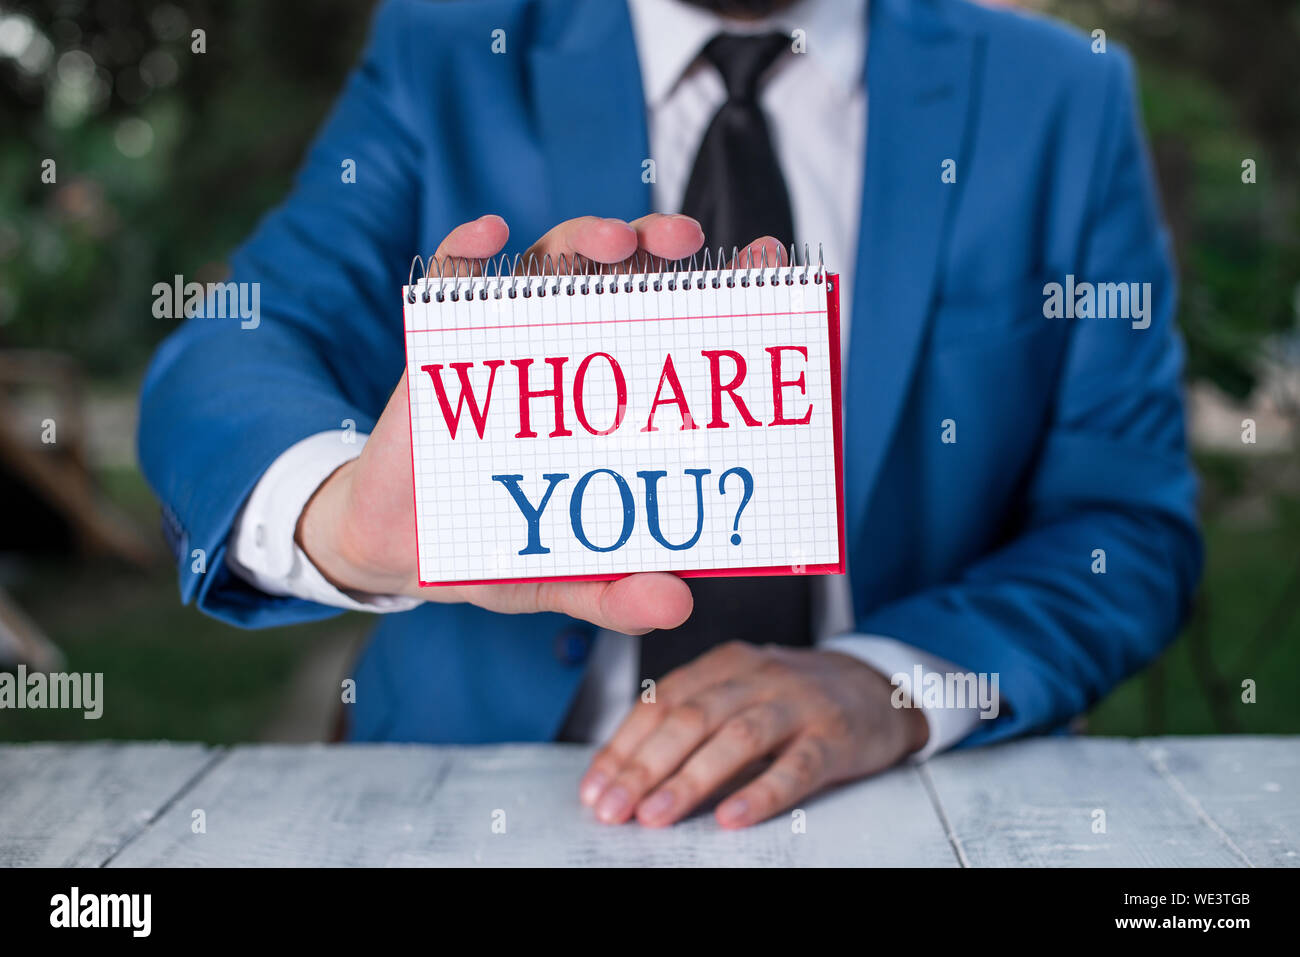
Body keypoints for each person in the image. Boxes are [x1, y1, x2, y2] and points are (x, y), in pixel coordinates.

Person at [138, 0, 1201, 829]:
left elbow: (1126, 523)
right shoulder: (446, 53)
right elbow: (237, 343)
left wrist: (897, 683)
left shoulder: (1058, 96)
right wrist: (341, 522)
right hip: (469, 803)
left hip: (892, 804)